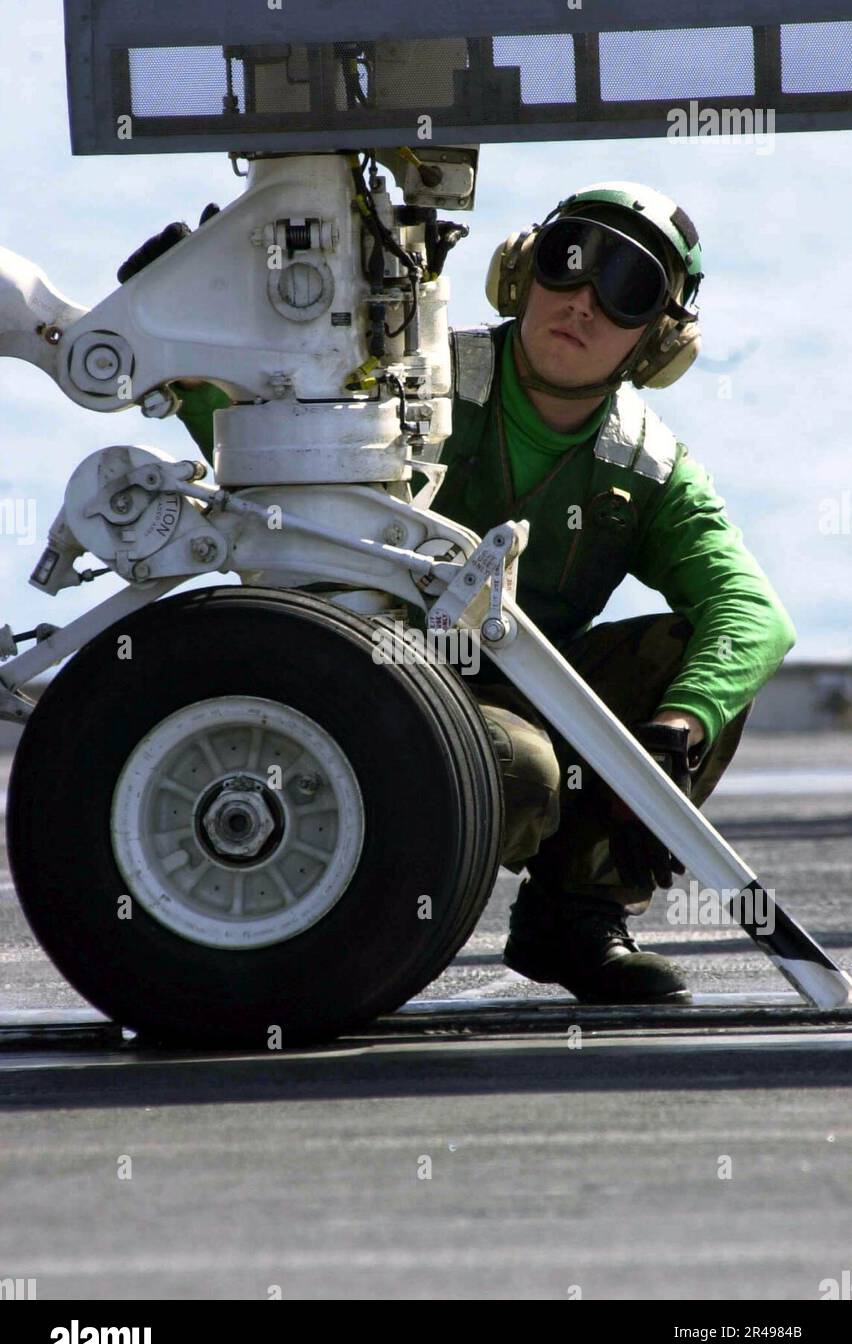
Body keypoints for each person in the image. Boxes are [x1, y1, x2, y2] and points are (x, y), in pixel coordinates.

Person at [131, 179, 797, 1007]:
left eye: (627, 289)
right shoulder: (415, 386)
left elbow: (756, 617)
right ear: (524, 271)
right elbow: (275, 466)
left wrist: (671, 735)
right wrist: (186, 355)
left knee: (691, 670)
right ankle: (360, 934)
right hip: (369, 680)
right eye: (570, 261)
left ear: (659, 341)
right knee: (518, 768)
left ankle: (572, 920)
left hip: (508, 686)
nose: (583, 302)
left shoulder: (645, 469)